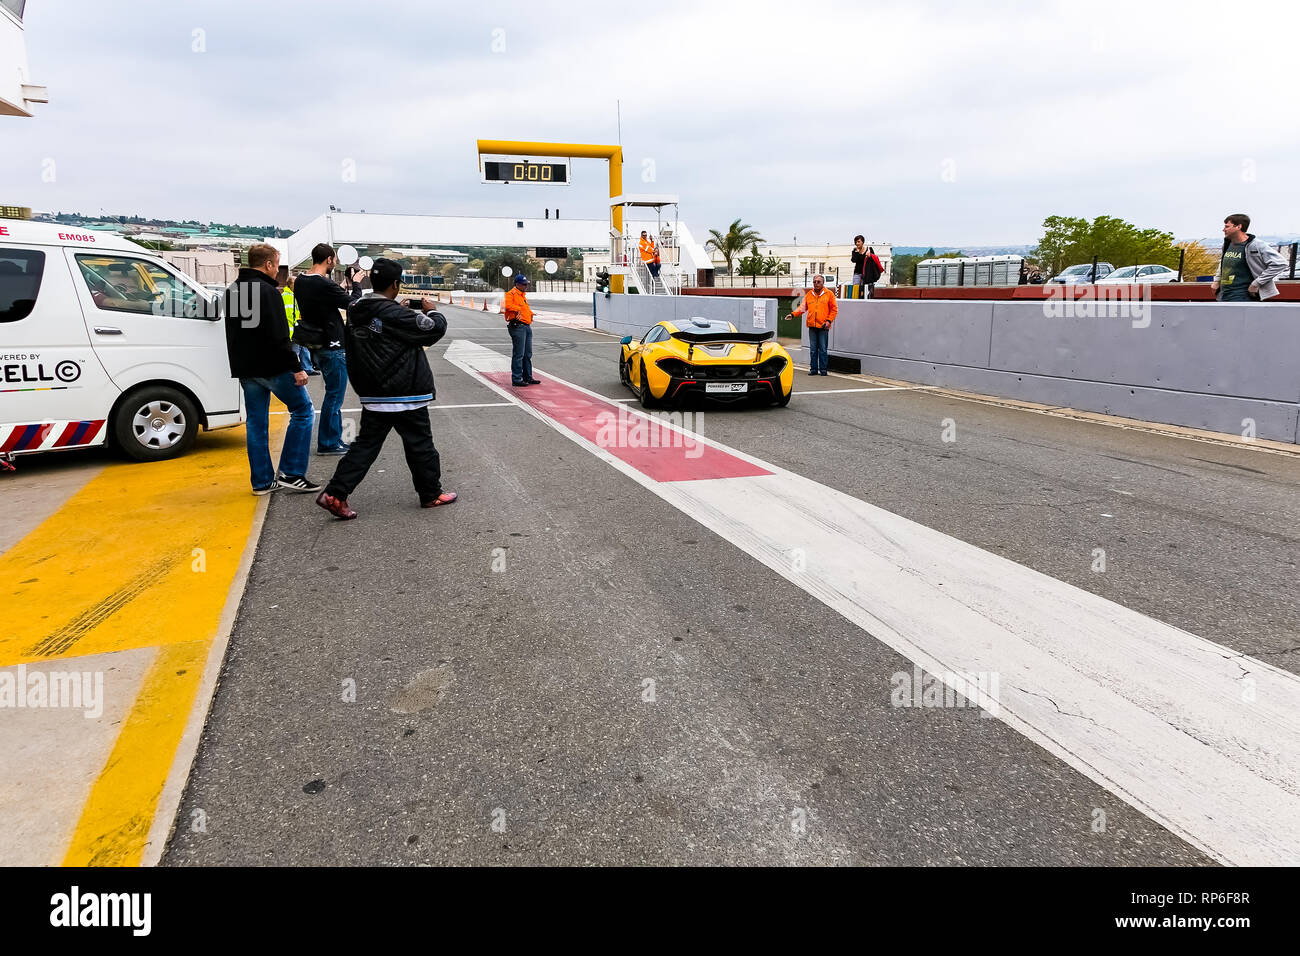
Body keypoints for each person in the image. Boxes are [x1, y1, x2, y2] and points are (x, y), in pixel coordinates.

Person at [315, 258, 456, 519]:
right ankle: (430, 493)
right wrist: (433, 310)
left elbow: (383, 327)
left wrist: (396, 310)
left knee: (365, 446)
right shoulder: (394, 313)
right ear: (395, 283)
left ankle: (335, 493)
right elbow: (433, 329)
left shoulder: (358, 308)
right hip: (405, 391)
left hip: (373, 392)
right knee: (421, 445)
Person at [222, 243, 322, 496]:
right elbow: (279, 336)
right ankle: (292, 472)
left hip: (246, 368)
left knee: (256, 424)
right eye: (277, 264)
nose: (278, 269)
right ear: (268, 264)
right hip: (273, 367)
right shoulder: (268, 292)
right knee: (302, 411)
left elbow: (233, 332)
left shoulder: (233, 290)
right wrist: (297, 368)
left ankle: (262, 481)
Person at [293, 243, 362, 455]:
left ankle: (332, 439)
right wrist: (356, 284)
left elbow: (325, 298)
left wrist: (342, 284)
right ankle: (329, 442)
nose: (336, 263)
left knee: (332, 394)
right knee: (335, 395)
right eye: (335, 260)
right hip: (333, 344)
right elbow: (353, 304)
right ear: (329, 260)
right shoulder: (323, 284)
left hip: (316, 344)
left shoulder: (302, 281)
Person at [1212, 213, 1287, 302]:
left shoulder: (1256, 245)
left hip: (1243, 297)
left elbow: (1281, 263)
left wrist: (1256, 283)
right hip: (1224, 295)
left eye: (1227, 227)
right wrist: (1217, 280)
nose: (1223, 230)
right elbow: (1224, 262)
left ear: (1238, 227)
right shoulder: (1227, 244)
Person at [792, 273, 837, 376]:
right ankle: (813, 369)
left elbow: (834, 310)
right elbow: (802, 308)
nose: (816, 284)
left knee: (822, 349)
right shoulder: (809, 295)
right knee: (813, 349)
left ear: (823, 283)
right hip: (812, 326)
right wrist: (793, 314)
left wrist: (828, 321)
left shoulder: (829, 294)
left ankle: (823, 370)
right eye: (814, 282)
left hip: (823, 326)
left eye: (818, 282)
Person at [501, 274, 540, 387]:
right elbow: (507, 306)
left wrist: (530, 314)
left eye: (526, 284)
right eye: (524, 284)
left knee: (528, 354)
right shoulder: (511, 294)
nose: (526, 286)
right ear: (517, 284)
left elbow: (525, 309)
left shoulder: (522, 295)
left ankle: (528, 376)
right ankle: (517, 378)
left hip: (526, 326)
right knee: (519, 354)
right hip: (517, 326)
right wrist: (519, 309)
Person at [279, 268, 317, 376]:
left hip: (298, 328)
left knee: (304, 349)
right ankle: (294, 370)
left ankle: (307, 368)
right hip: (294, 329)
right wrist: (298, 325)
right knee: (295, 351)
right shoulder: (287, 296)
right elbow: (289, 315)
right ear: (291, 284)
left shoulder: (294, 295)